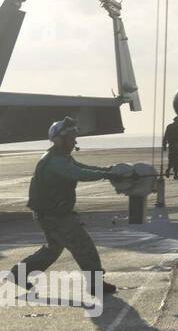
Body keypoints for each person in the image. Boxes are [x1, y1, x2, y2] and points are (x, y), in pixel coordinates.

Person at [3, 117, 132, 297]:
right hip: (56, 215)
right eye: (71, 138)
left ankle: (18, 274)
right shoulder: (56, 162)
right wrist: (107, 174)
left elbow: (83, 167)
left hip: (49, 213)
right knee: (84, 246)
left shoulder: (61, 157)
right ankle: (96, 285)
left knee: (52, 249)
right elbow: (79, 173)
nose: (74, 141)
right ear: (59, 140)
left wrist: (108, 170)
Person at [162, 114, 178, 180]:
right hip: (177, 146)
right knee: (177, 160)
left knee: (172, 159)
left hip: (172, 146)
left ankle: (169, 170)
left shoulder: (169, 126)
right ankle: (175, 174)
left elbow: (166, 136)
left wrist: (164, 145)